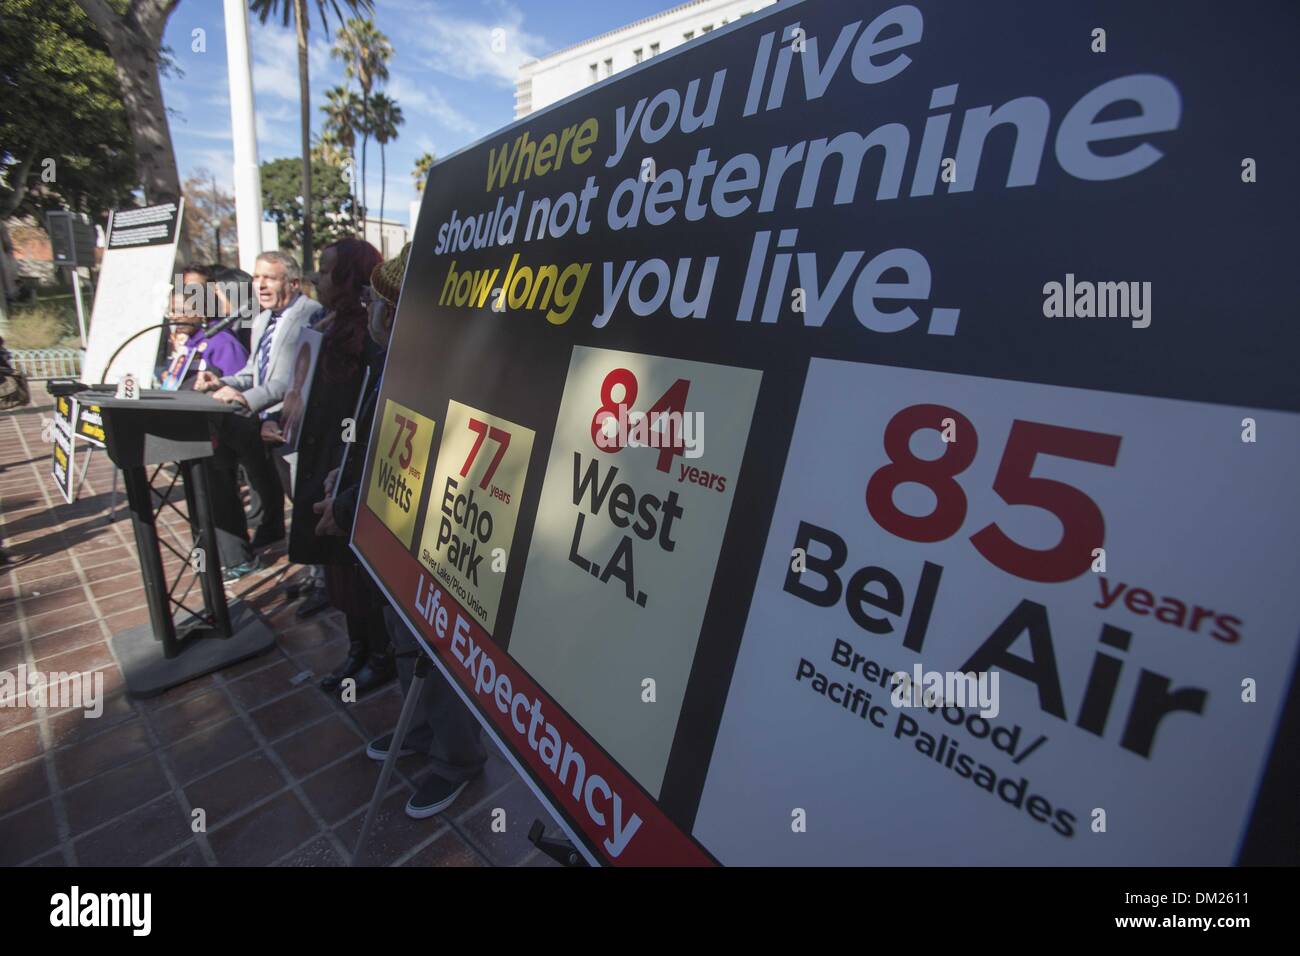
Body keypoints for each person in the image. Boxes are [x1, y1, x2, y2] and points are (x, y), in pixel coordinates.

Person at [322, 245, 486, 819]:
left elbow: (401, 462)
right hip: (386, 532)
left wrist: (343, 506)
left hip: (420, 535)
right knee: (403, 637)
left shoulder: (431, 372)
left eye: (381, 301)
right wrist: (341, 492)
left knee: (429, 647)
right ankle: (419, 731)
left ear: (401, 313)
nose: (371, 309)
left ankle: (457, 759)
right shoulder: (392, 359)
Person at [275, 238, 394, 696]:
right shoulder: (328, 325)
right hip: (324, 456)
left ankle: (378, 653)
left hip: (348, 461)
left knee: (356, 564)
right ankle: (358, 647)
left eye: (327, 271)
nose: (318, 279)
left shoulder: (368, 334)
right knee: (338, 568)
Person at [196, 251, 322, 577]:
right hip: (271, 424)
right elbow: (255, 370)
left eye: (269, 277)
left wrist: (244, 399)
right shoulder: (264, 317)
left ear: (292, 282)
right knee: (296, 501)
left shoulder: (311, 314)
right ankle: (314, 574)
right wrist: (221, 381)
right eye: (256, 277)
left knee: (310, 503)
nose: (260, 285)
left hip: (299, 424)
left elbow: (292, 380)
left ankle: (321, 578)